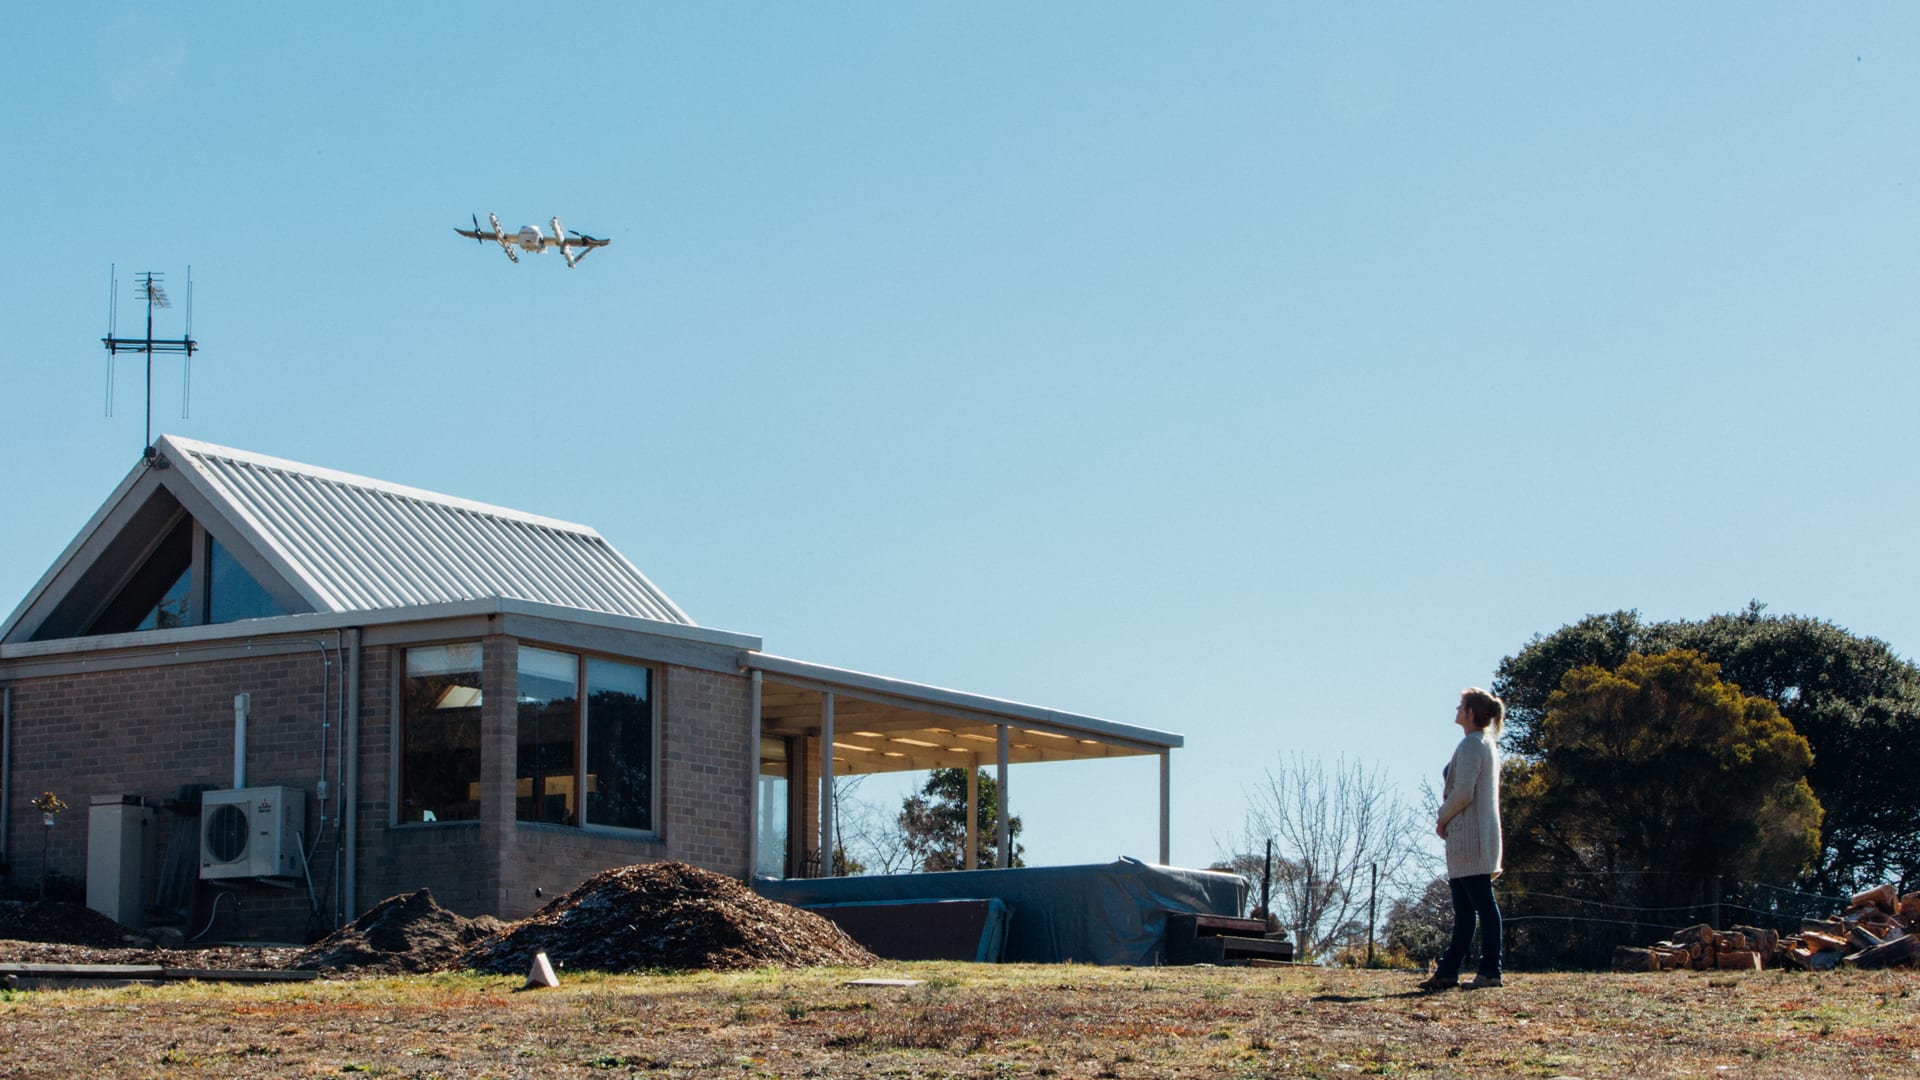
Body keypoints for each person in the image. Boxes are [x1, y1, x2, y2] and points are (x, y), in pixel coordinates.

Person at [1417, 687, 1505, 991]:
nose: (1457, 709)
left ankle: (1491, 970)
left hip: (1471, 839)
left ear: (1470, 712)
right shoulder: (1485, 744)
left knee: (1481, 905)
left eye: (1461, 705)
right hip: (1473, 837)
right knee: (1467, 909)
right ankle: (1448, 970)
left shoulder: (1471, 745)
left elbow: (1463, 793)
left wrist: (1442, 816)